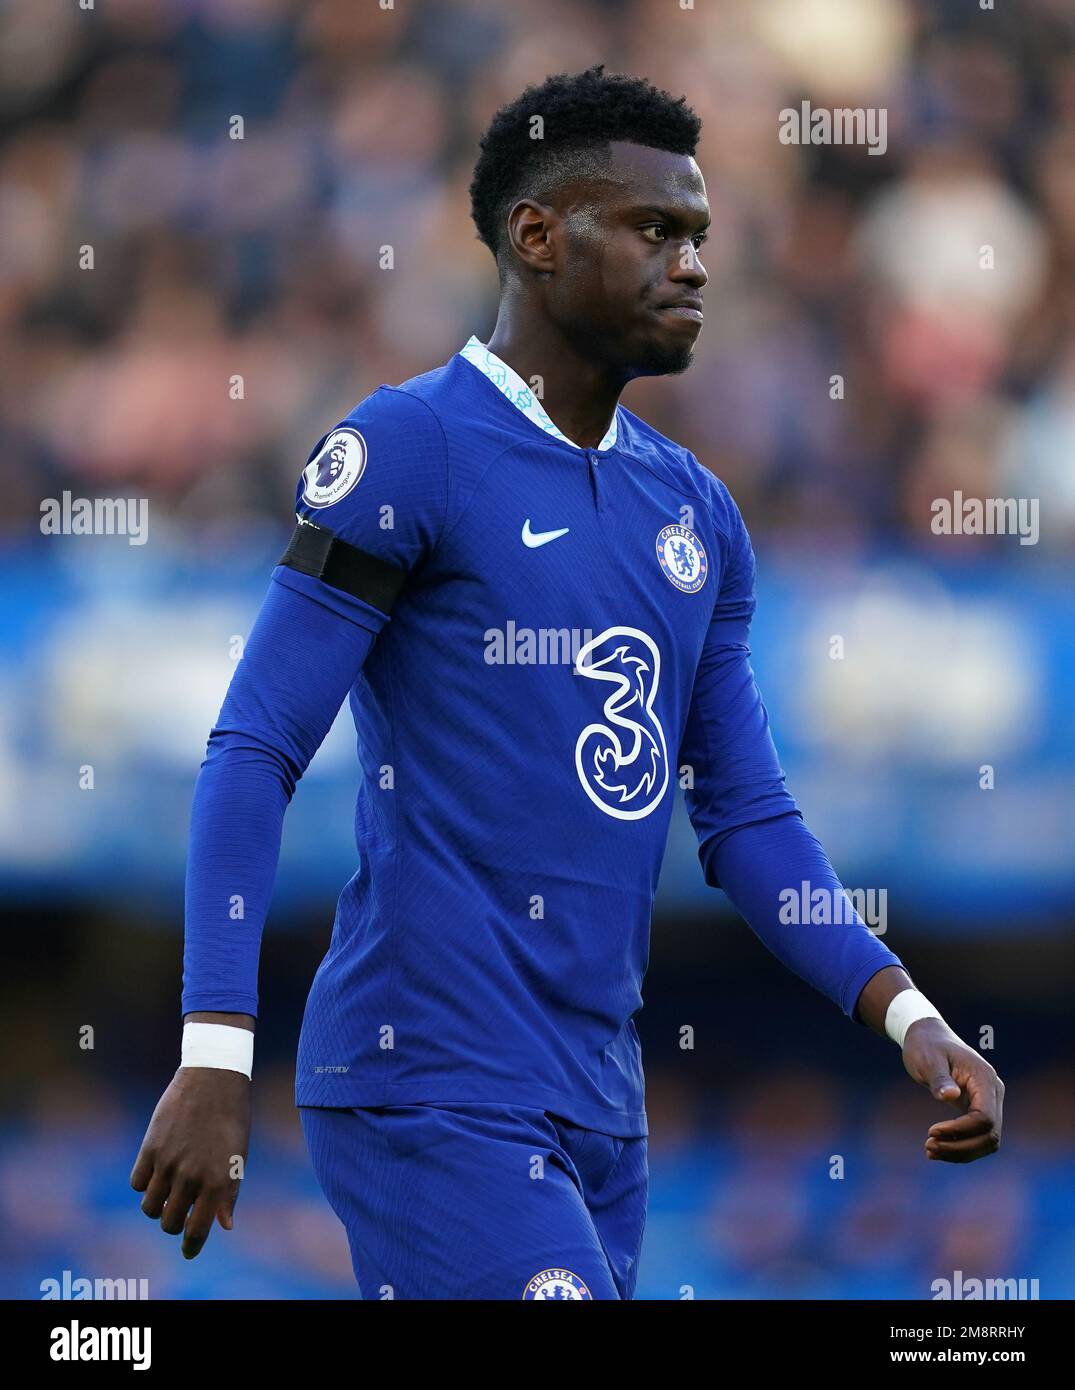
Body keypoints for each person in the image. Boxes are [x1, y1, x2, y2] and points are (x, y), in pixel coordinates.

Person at [131, 65, 1004, 1301]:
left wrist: (908, 1013)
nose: (693, 265)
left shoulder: (694, 512)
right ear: (536, 238)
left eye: (699, 236)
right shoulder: (407, 447)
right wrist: (215, 1047)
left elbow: (747, 818)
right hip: (424, 1078)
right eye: (655, 230)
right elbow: (255, 746)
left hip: (599, 1106)